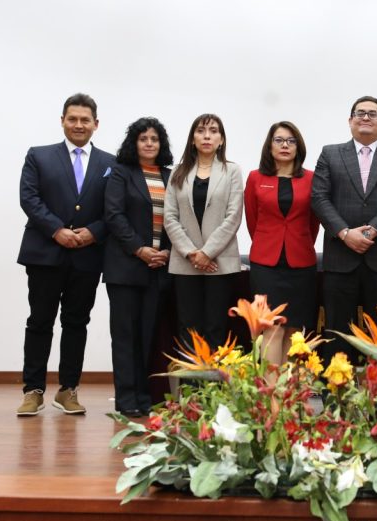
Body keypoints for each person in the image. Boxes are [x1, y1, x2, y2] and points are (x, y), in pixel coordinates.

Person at [16, 93, 115, 416]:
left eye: (85, 120)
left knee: (76, 323)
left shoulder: (110, 164)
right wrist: (57, 229)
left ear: (96, 125)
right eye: (72, 119)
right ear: (62, 121)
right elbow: (29, 198)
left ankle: (68, 390)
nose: (78, 125)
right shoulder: (39, 156)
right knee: (40, 322)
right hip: (45, 252)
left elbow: (115, 209)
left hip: (87, 257)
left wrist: (95, 232)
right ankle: (33, 390)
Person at [311, 96, 377, 363]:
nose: (366, 118)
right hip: (340, 256)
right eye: (360, 113)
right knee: (337, 330)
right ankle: (336, 394)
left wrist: (371, 232)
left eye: (372, 114)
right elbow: (319, 197)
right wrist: (346, 233)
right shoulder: (330, 153)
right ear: (350, 120)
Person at [103, 117, 173, 418]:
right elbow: (114, 215)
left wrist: (168, 251)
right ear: (134, 143)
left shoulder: (170, 176)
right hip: (126, 267)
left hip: (160, 267)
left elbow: (178, 218)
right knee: (125, 335)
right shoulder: (121, 173)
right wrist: (139, 249)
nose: (148, 143)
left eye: (154, 139)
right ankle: (126, 397)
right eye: (143, 138)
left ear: (161, 144)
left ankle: (145, 396)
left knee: (148, 335)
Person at [244, 121, 321, 368]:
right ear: (269, 146)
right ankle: (271, 397)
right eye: (279, 140)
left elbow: (314, 223)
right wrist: (270, 242)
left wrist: (298, 243)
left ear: (298, 147)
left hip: (301, 264)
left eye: (291, 140)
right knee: (272, 328)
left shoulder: (311, 179)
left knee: (295, 331)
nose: (285, 145)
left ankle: (291, 398)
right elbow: (252, 219)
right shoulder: (256, 178)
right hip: (266, 264)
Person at [163, 114, 244, 348]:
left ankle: (214, 386)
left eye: (213, 131)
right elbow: (170, 217)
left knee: (216, 328)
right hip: (185, 263)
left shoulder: (232, 171)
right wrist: (192, 253)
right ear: (192, 139)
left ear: (221, 140)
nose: (207, 136)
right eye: (200, 131)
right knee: (188, 328)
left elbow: (233, 217)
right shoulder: (178, 172)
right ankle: (191, 386)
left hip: (219, 263)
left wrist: (207, 252)